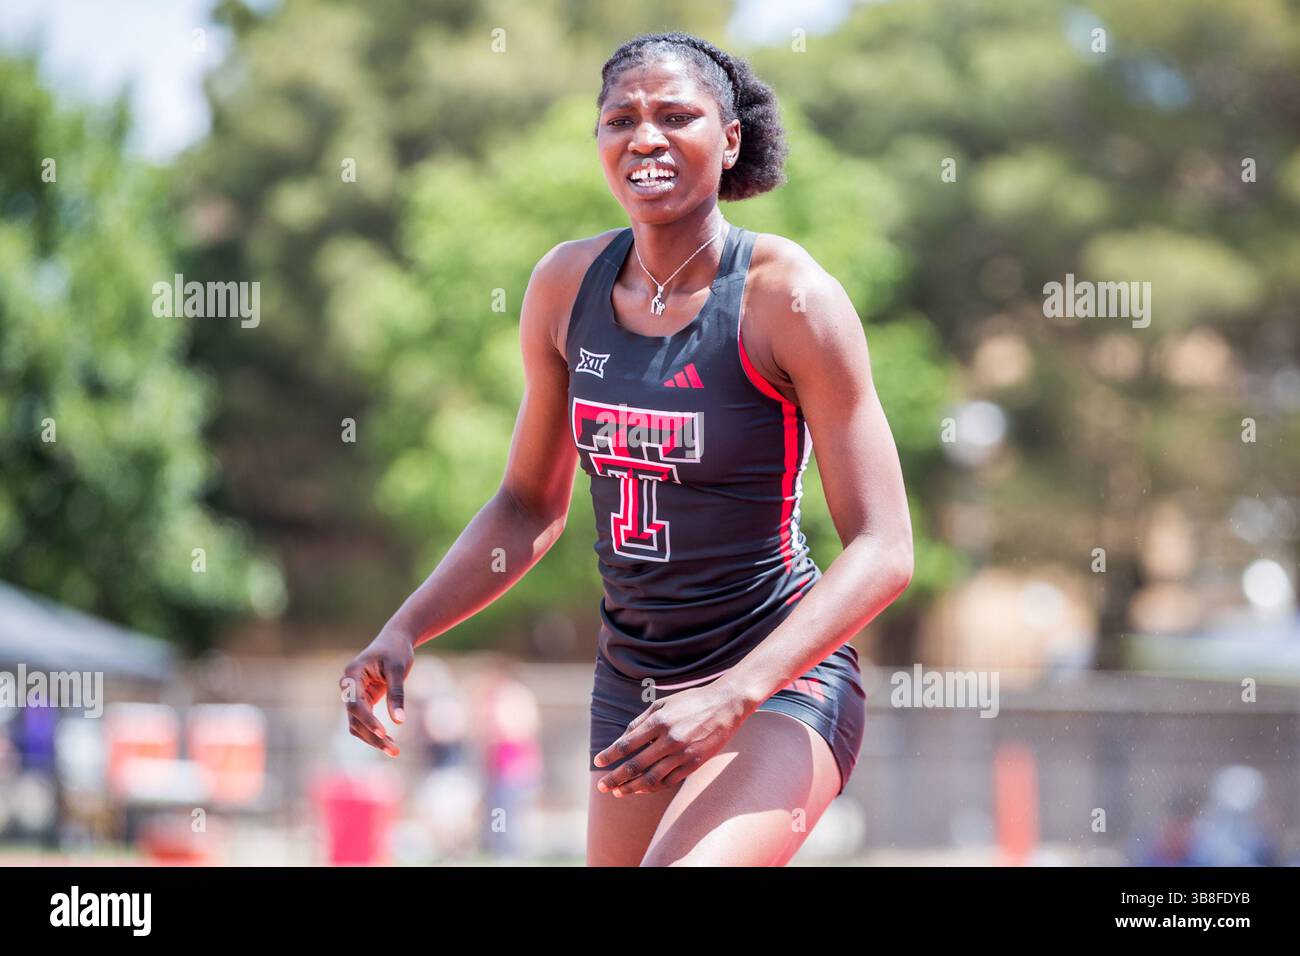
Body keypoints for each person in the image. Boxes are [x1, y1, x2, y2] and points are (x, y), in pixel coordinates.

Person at [340, 31, 913, 866]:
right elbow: (527, 504)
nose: (645, 137)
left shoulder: (791, 300)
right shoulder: (564, 287)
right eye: (621, 119)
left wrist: (732, 693)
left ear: (730, 139)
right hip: (635, 686)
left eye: (676, 115)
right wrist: (406, 628)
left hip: (778, 680)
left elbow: (886, 548)